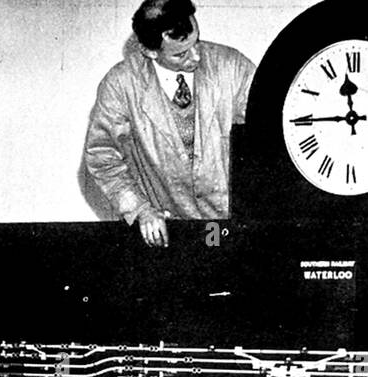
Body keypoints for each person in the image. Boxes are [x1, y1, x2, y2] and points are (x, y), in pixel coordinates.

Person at [83, 0, 255, 247]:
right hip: (168, 230)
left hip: (233, 226)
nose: (196, 57)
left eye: (196, 42)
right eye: (181, 54)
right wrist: (140, 209)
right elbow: (102, 158)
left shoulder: (233, 66)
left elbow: (268, 137)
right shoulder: (120, 85)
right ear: (150, 51)